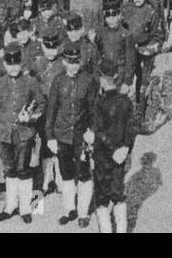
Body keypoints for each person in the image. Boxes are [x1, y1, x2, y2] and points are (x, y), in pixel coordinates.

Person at [0, 43, 43, 224]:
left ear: (21, 63)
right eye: (9, 64)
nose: (13, 68)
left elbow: (41, 103)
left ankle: (26, 208)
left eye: (16, 63)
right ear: (4, 64)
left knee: (23, 170)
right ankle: (10, 206)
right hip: (4, 134)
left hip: (24, 133)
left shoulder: (30, 81)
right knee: (9, 170)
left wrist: (31, 117)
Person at [46, 43, 97, 226]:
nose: (73, 65)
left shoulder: (89, 81)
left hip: (81, 137)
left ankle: (83, 212)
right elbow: (51, 111)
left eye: (76, 62)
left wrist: (92, 131)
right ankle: (69, 209)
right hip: (62, 136)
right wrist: (50, 137)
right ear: (63, 62)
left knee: (84, 173)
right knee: (66, 174)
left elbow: (93, 111)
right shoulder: (58, 81)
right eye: (70, 62)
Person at [90, 60, 136, 233]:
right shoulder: (126, 102)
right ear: (116, 77)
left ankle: (107, 230)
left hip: (103, 154)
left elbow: (99, 131)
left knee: (102, 196)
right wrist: (125, 148)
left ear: (101, 79)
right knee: (118, 192)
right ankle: (122, 229)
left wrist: (112, 149)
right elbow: (131, 129)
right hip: (121, 155)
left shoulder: (99, 103)